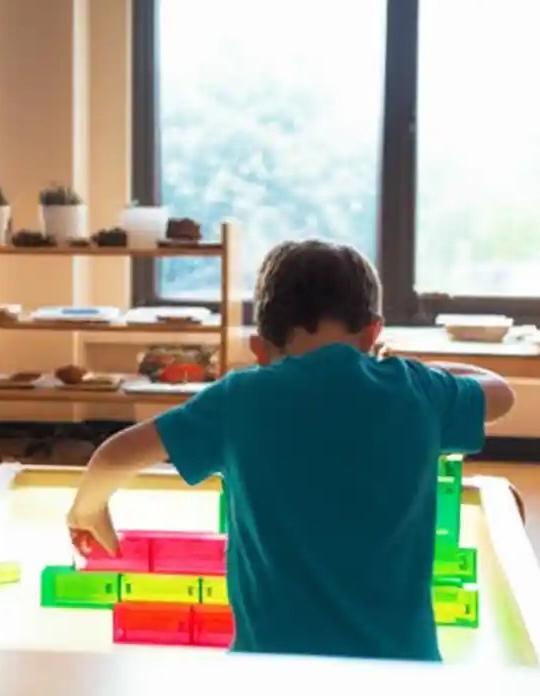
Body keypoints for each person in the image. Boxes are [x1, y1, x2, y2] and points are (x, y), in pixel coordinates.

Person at [66, 239, 514, 662]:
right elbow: (499, 394)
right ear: (373, 333)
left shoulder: (240, 398)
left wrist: (87, 509)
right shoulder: (417, 389)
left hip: (273, 673)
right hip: (401, 674)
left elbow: (117, 453)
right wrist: (428, 369)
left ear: (260, 349)